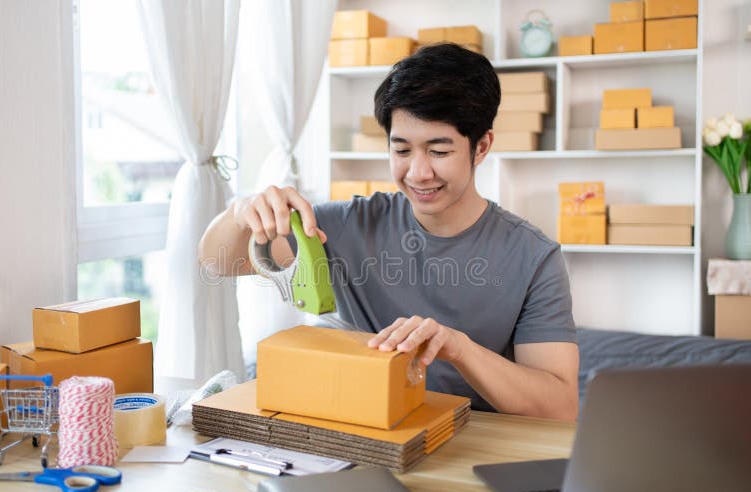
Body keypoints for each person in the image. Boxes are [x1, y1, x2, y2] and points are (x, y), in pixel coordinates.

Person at [198, 43, 579, 421]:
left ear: (481, 147)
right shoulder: (347, 226)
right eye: (401, 151)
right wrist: (242, 213)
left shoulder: (533, 257)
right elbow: (217, 261)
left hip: (469, 448)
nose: (418, 173)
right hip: (361, 440)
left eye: (439, 151)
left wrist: (460, 349)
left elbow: (560, 406)